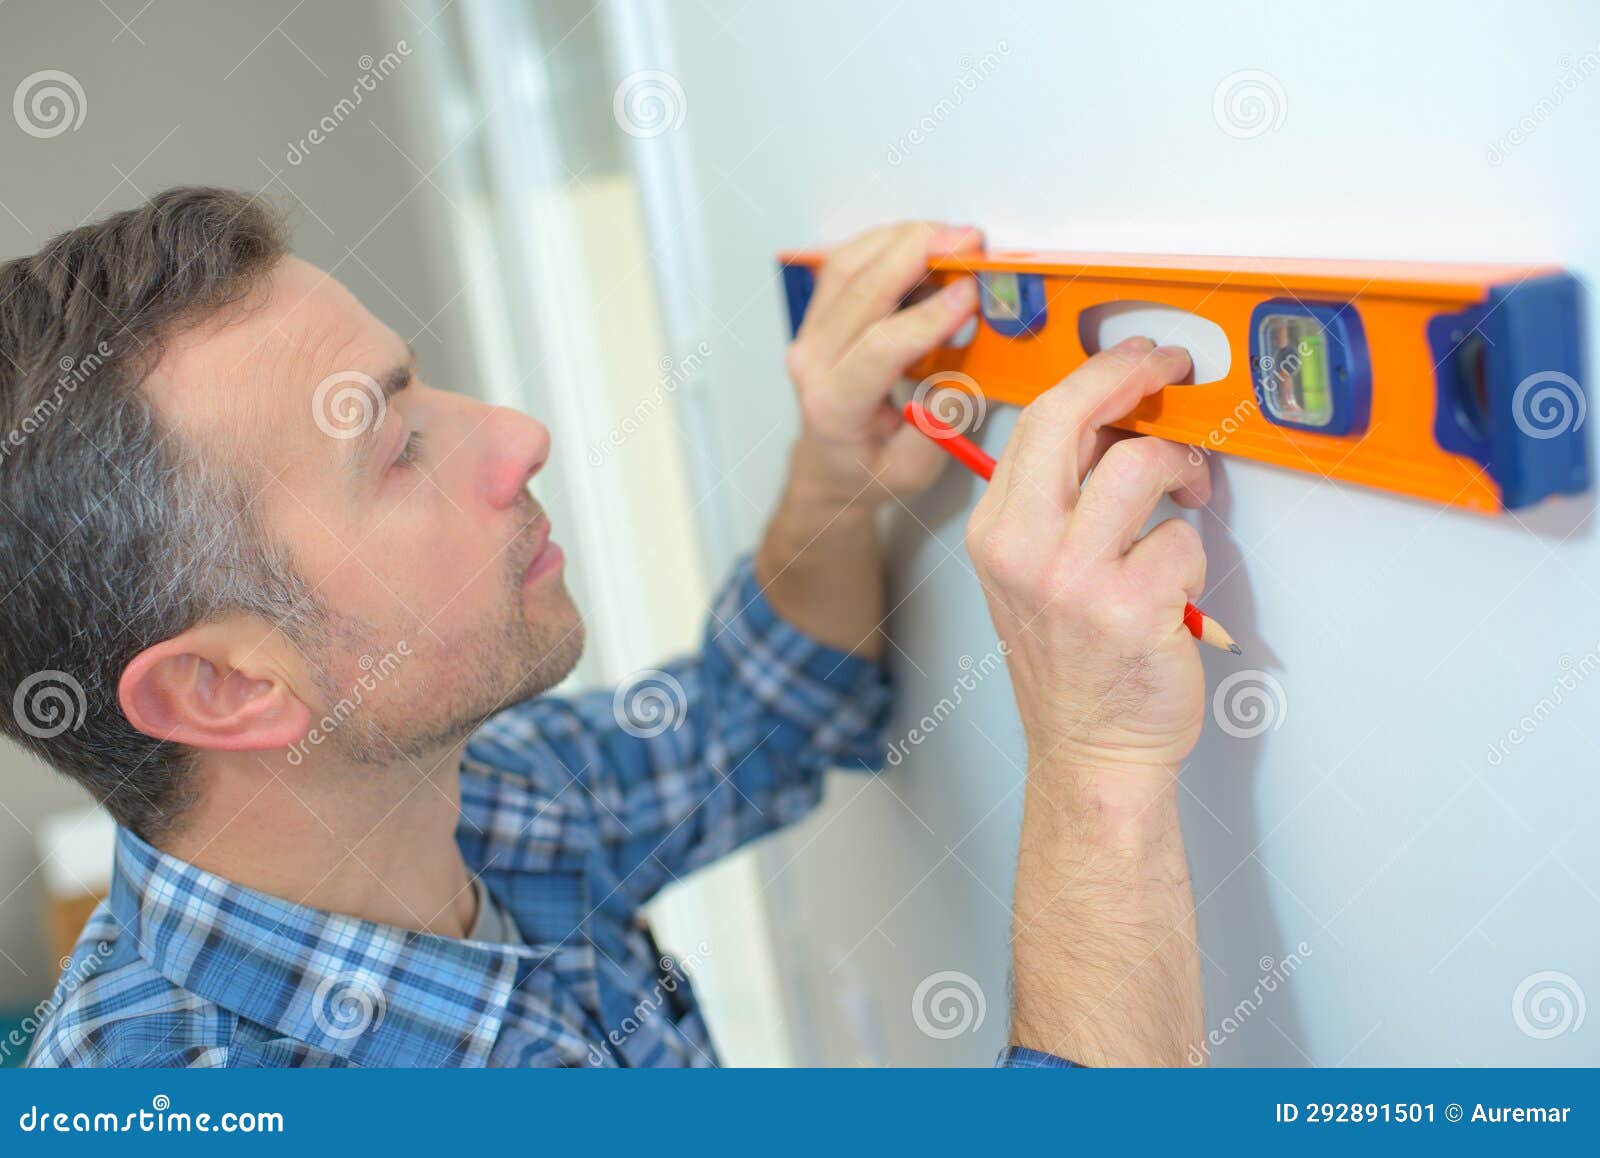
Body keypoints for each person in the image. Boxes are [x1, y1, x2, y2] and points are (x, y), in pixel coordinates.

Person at [5, 190, 1207, 1067]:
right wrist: (1100, 766)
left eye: (414, 382)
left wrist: (835, 476)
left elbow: (756, 716)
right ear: (226, 688)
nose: (516, 433)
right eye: (395, 447)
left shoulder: (458, 801)